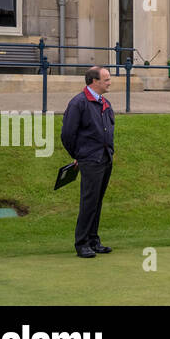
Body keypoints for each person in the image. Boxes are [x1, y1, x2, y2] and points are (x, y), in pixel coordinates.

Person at [60, 66, 116, 258]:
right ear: (95, 81)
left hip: (105, 158)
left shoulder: (104, 102)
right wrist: (78, 154)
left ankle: (93, 240)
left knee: (97, 202)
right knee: (89, 201)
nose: (109, 82)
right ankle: (82, 242)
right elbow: (67, 134)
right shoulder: (79, 103)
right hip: (90, 159)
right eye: (106, 79)